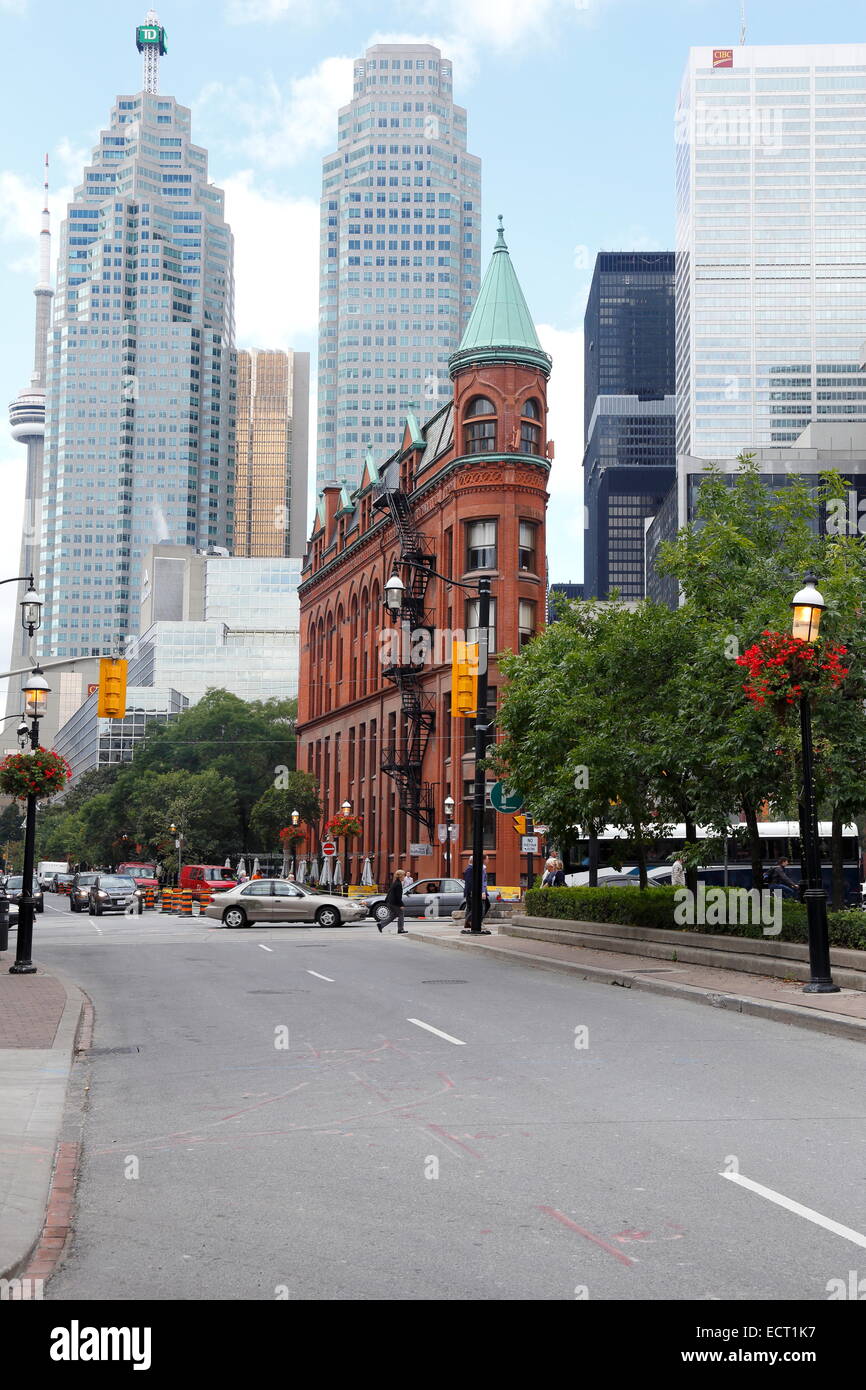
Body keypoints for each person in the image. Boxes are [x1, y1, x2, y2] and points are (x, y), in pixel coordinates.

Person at [462, 856, 491, 929]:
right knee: (478, 907)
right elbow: (470, 882)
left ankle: (469, 923)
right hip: (473, 892)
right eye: (487, 859)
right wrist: (476, 892)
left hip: (475, 892)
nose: (488, 860)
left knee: (471, 908)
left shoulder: (474, 869)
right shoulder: (470, 869)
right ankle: (471, 921)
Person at [380, 869, 407, 934]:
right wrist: (401, 905)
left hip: (390, 902)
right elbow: (398, 897)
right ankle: (400, 929)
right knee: (401, 913)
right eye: (404, 875)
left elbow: (389, 892)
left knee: (393, 915)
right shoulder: (398, 884)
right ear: (400, 876)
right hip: (393, 903)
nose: (404, 877)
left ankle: (381, 925)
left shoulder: (395, 882)